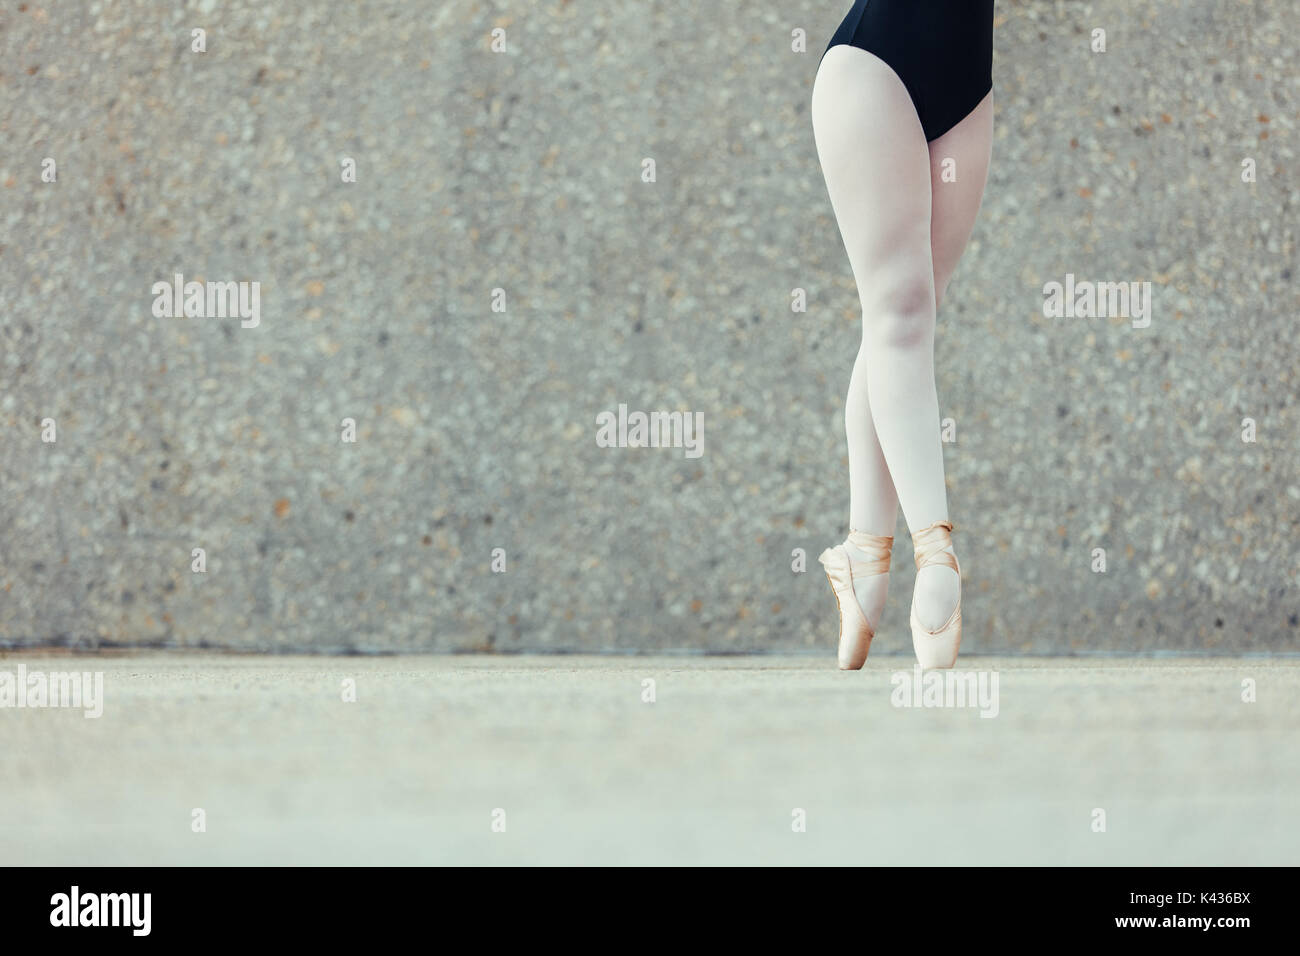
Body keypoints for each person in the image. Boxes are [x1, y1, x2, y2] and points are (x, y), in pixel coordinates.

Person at [811, 0, 996, 669]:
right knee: (901, 310)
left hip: (966, 82)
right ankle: (935, 553)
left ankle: (864, 558)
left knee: (907, 319)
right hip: (872, 68)